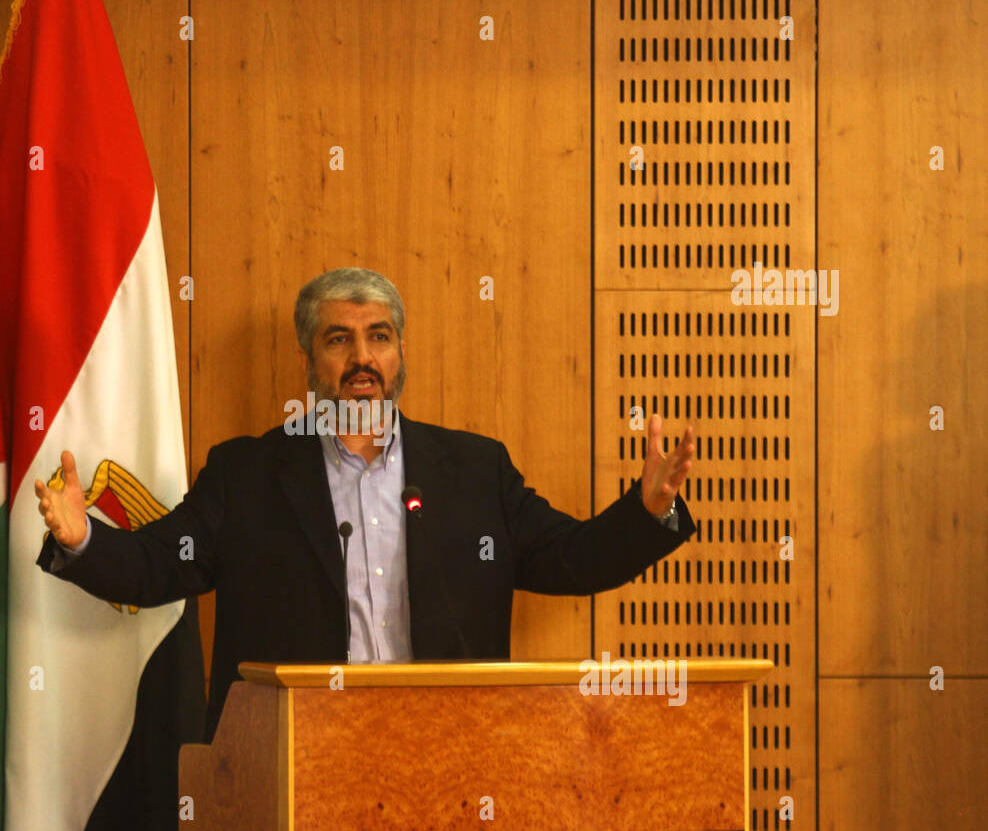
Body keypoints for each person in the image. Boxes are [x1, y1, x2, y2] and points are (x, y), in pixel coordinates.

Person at [35, 268, 697, 739]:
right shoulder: (247, 473)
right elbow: (161, 565)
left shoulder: (473, 469)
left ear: (400, 351)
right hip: (292, 748)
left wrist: (646, 511)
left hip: (450, 746)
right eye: (338, 339)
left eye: (378, 336)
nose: (362, 358)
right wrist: (82, 538)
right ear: (308, 357)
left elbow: (570, 561)